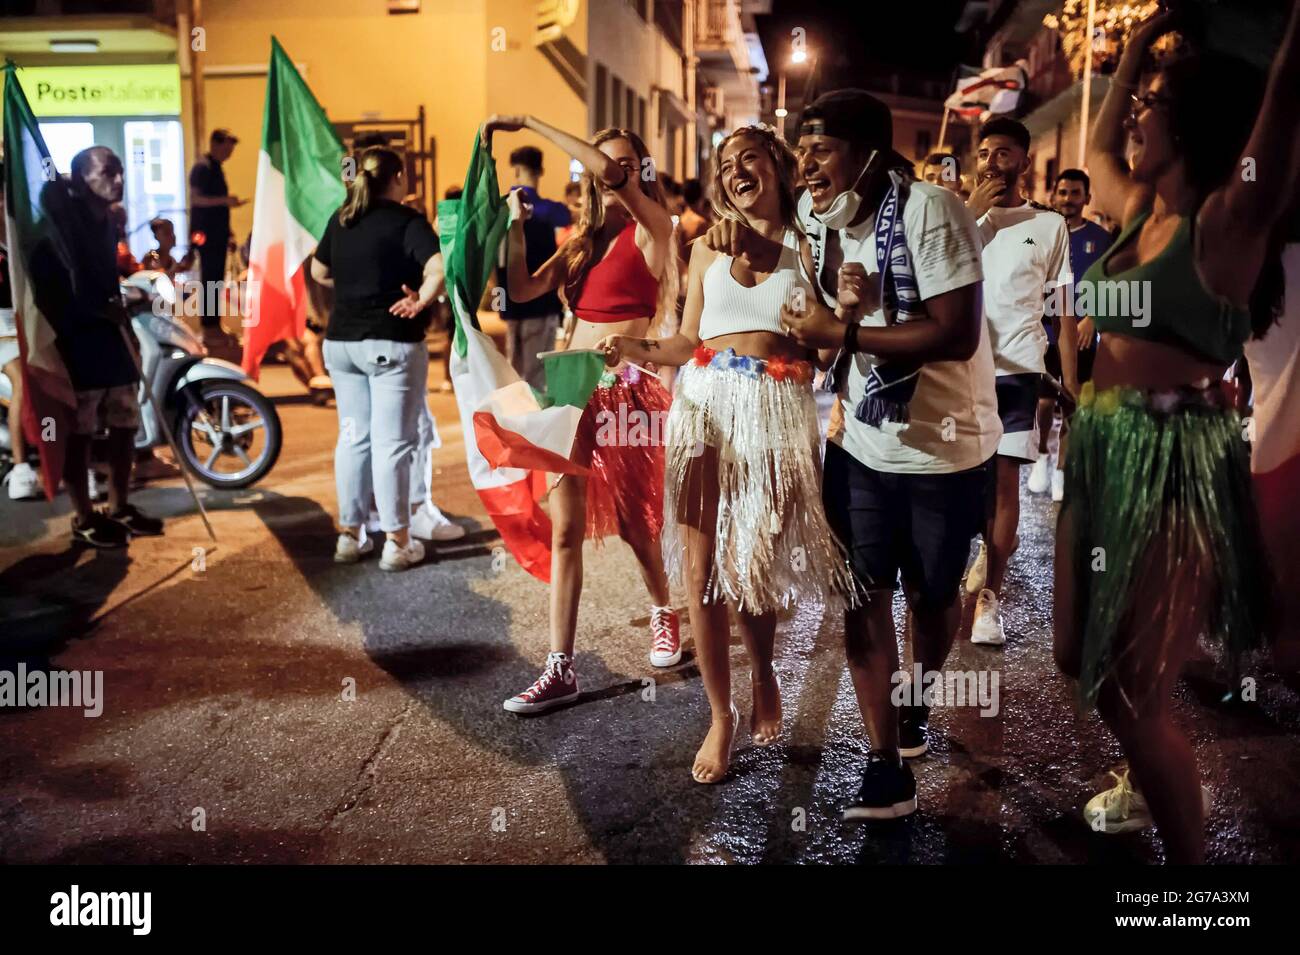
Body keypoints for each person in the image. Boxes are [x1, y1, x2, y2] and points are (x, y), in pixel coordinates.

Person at [1055, 4, 1296, 861]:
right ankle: (1144, 771)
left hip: (1169, 461)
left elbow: (1275, 127)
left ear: (1194, 124)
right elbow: (1093, 148)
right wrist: (1129, 48)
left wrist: (1293, 39)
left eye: (1153, 104)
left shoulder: (1225, 227)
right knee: (1073, 655)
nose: (1135, 115)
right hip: (1097, 446)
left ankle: (1191, 880)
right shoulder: (1133, 216)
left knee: (1134, 690)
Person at [600, 125, 853, 783]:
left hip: (776, 409)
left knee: (752, 564)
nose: (739, 170)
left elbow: (829, 348)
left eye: (752, 158)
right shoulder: (704, 249)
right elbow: (686, 341)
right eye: (728, 163)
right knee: (701, 565)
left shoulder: (813, 244)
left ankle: (763, 670)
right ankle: (720, 713)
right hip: (705, 402)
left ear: (778, 167)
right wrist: (633, 350)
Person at [776, 90, 993, 819]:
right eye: (802, 148)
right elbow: (749, 207)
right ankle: (882, 764)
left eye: (823, 148)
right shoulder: (819, 220)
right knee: (862, 597)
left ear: (869, 155)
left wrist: (847, 334)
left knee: (932, 598)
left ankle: (915, 704)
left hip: (944, 448)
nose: (807, 162)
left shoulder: (933, 210)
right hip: (863, 443)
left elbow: (956, 333)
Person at [481, 114, 679, 713]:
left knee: (635, 524)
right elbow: (519, 289)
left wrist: (535, 124)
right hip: (571, 391)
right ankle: (560, 667)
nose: (608, 179)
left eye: (619, 168)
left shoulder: (655, 230)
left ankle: (664, 611)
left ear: (636, 174)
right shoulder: (581, 243)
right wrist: (516, 227)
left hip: (625, 393)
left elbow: (612, 174)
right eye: (601, 169)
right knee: (564, 530)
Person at [962, 117, 1072, 647]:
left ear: (1025, 162)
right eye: (984, 153)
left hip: (1019, 371)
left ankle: (991, 600)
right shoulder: (956, 219)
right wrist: (969, 216)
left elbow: (1065, 310)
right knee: (961, 485)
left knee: (1005, 482)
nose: (991, 163)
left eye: (1004, 154)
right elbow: (920, 274)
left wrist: (1071, 381)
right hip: (957, 370)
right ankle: (961, 562)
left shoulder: (1050, 226)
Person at [310, 147, 444, 571]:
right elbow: (439, 267)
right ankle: (397, 542)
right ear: (399, 177)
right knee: (393, 445)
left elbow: (318, 272)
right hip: (391, 342)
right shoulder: (408, 222)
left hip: (341, 344)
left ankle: (350, 536)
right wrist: (421, 298)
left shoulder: (343, 218)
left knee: (353, 437)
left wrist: (354, 284)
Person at [31, 147, 163, 546]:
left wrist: (124, 302)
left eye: (120, 171)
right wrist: (95, 311)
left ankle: (120, 505)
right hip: (78, 346)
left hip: (113, 342)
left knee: (124, 425)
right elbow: (53, 296)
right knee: (81, 434)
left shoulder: (109, 223)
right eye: (107, 172)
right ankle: (83, 516)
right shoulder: (59, 229)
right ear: (81, 179)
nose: (118, 180)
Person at [1028, 169, 1114, 501]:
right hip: (1044, 335)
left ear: (1087, 198)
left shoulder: (1102, 238)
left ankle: (1063, 472)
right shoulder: (1039, 234)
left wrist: (1092, 319)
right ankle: (1041, 459)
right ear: (1053, 196)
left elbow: (1111, 283)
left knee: (1074, 405)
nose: (1067, 199)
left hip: (1081, 338)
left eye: (1074, 193)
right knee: (1043, 405)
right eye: (1062, 192)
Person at [500, 145, 571, 391]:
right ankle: (532, 426)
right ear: (540, 170)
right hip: (541, 301)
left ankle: (515, 424)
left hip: (510, 301)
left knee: (513, 371)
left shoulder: (501, 208)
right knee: (536, 376)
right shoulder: (554, 212)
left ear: (516, 170)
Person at [189, 128, 246, 361]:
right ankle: (209, 327)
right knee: (210, 279)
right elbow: (196, 199)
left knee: (217, 280)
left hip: (218, 232)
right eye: (227, 148)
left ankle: (215, 324)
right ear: (215, 144)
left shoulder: (215, 167)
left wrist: (229, 232)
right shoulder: (202, 167)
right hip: (207, 234)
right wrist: (225, 200)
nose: (229, 153)